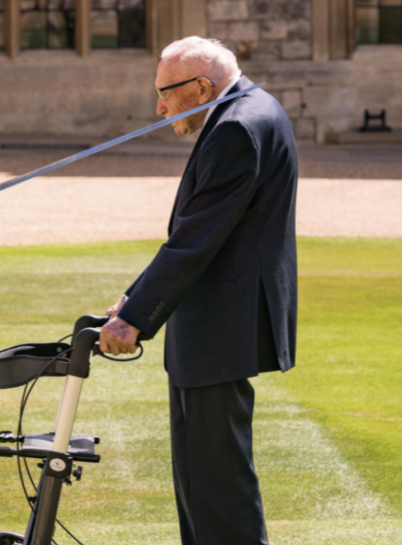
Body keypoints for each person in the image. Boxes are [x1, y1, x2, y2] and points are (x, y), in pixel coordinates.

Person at [99, 37, 299, 545]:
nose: (160, 107)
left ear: (202, 87)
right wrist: (133, 297)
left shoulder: (235, 129)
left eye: (166, 93)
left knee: (217, 483)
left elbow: (195, 240)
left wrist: (135, 316)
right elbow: (198, 233)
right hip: (217, 320)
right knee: (199, 477)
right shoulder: (252, 109)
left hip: (220, 323)